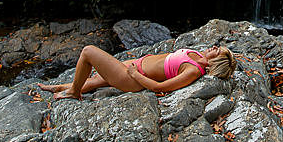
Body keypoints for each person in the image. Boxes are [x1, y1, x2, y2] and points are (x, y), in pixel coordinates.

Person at [39, 44, 236, 100]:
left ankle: (73, 91)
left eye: (217, 51)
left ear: (215, 62)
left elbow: (160, 88)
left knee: (88, 52)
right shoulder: (196, 54)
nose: (214, 47)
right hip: (137, 64)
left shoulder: (193, 71)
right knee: (97, 80)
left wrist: (134, 75)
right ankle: (61, 87)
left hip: (133, 78)